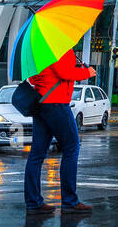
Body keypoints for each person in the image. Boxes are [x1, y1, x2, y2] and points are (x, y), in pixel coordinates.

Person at [24, 51, 95, 216]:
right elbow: (65, 73)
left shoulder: (39, 50)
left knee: (37, 154)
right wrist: (87, 72)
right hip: (56, 102)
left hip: (41, 102)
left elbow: (34, 78)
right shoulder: (58, 47)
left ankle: (33, 203)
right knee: (72, 148)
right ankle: (70, 201)